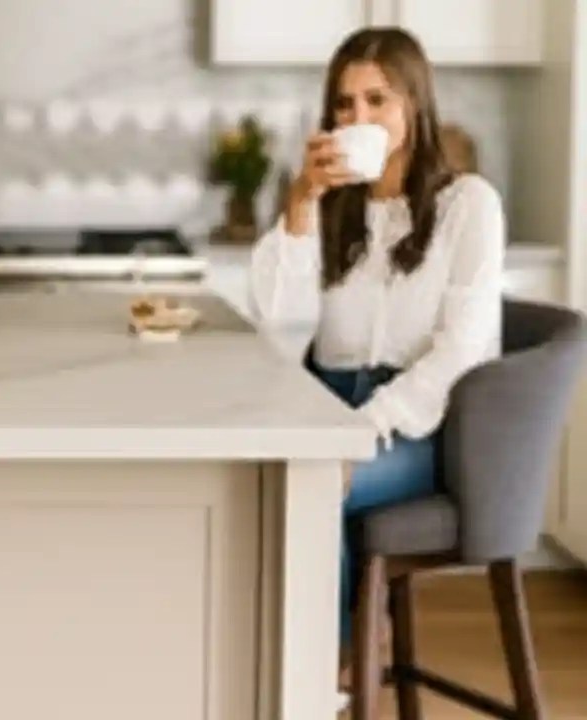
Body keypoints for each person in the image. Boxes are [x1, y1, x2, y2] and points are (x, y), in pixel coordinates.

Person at [247, 27, 506, 689]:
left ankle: (321, 676)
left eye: (376, 100)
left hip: (421, 422)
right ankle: (271, 663)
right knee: (251, 479)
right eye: (343, 105)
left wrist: (360, 432)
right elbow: (273, 324)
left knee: (309, 482)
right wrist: (301, 204)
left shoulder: (468, 206)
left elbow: (460, 353)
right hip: (324, 401)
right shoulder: (332, 206)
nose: (357, 118)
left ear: (414, 106)